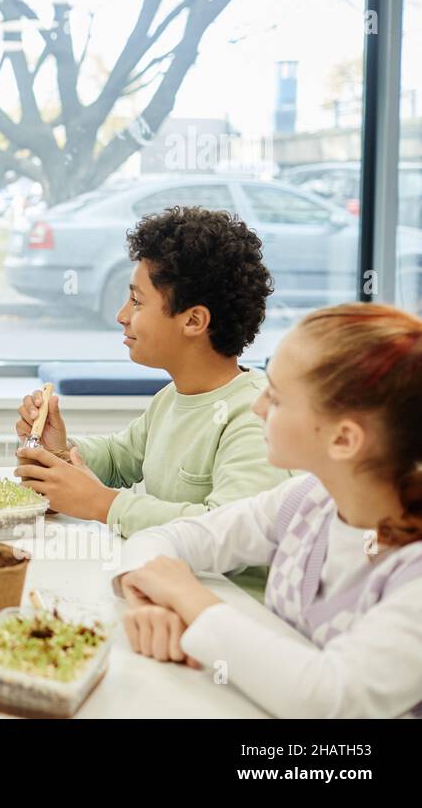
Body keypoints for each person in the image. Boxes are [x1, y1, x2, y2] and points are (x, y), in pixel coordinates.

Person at [114, 303, 422, 718]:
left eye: (275, 397)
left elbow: (325, 697)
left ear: (344, 440)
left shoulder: (411, 577)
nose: (258, 406)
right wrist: (154, 601)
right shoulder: (304, 501)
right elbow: (175, 537)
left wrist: (188, 598)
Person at [14, 208, 290, 592]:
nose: (121, 315)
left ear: (193, 321)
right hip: (170, 593)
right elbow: (119, 456)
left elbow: (224, 529)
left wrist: (106, 505)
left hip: (229, 609)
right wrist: (59, 449)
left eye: (137, 302)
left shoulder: (253, 417)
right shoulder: (172, 397)